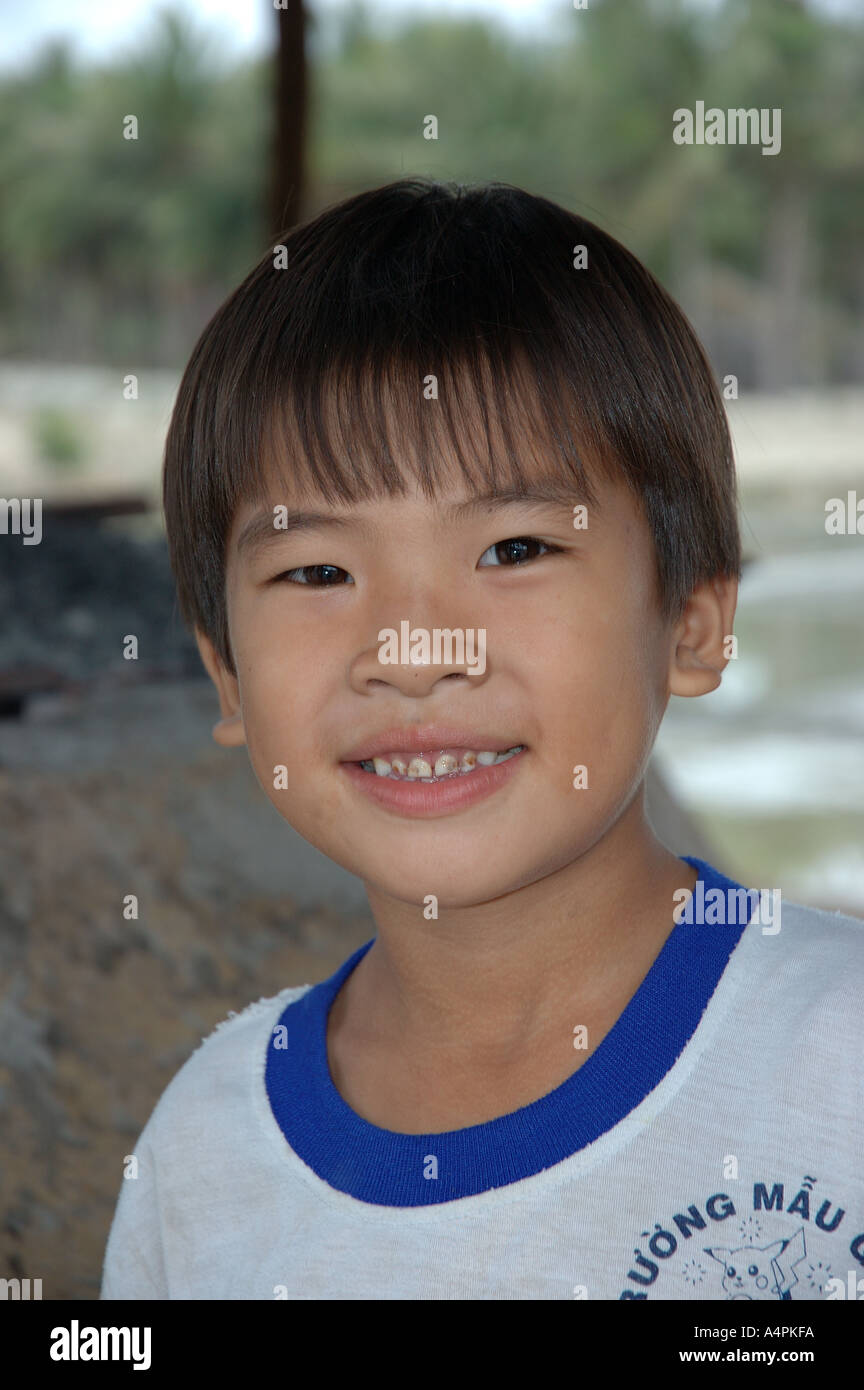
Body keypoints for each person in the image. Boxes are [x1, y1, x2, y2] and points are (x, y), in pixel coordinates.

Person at [101, 179, 863, 1301]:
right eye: (317, 571)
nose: (412, 648)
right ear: (225, 673)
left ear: (692, 625)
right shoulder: (205, 1149)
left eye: (513, 549)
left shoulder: (839, 1062)